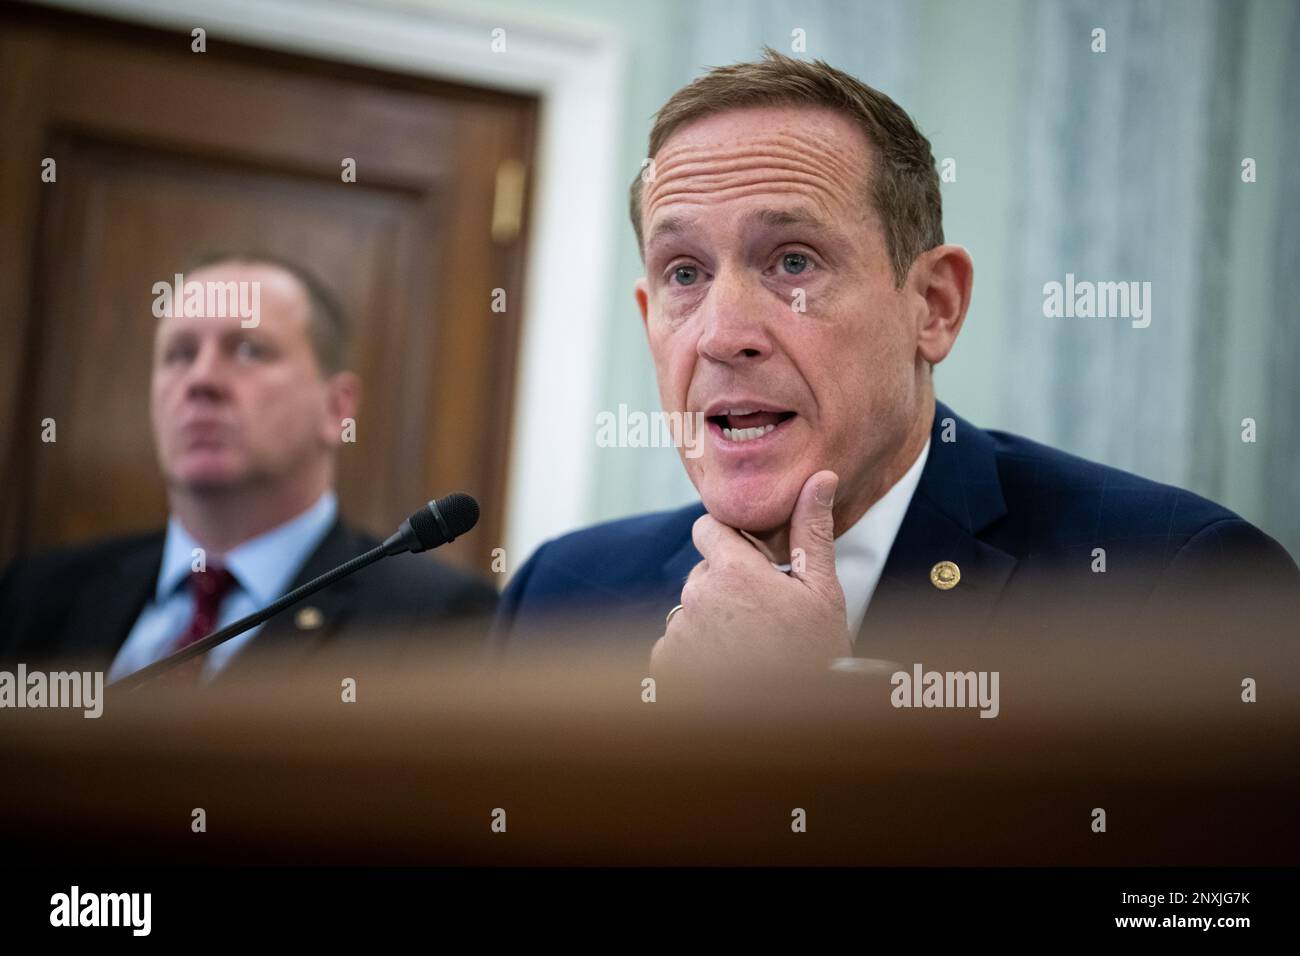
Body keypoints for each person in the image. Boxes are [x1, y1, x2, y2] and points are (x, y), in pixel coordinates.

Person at [493, 50, 1298, 673]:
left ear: (934, 305)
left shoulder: (1182, 587)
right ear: (648, 320)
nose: (719, 334)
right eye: (684, 274)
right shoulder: (558, 595)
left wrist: (807, 739)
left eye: (794, 263)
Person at [0, 252, 496, 683]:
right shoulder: (36, 596)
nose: (201, 380)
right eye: (179, 354)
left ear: (337, 408)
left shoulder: (437, 625)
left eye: (247, 350)